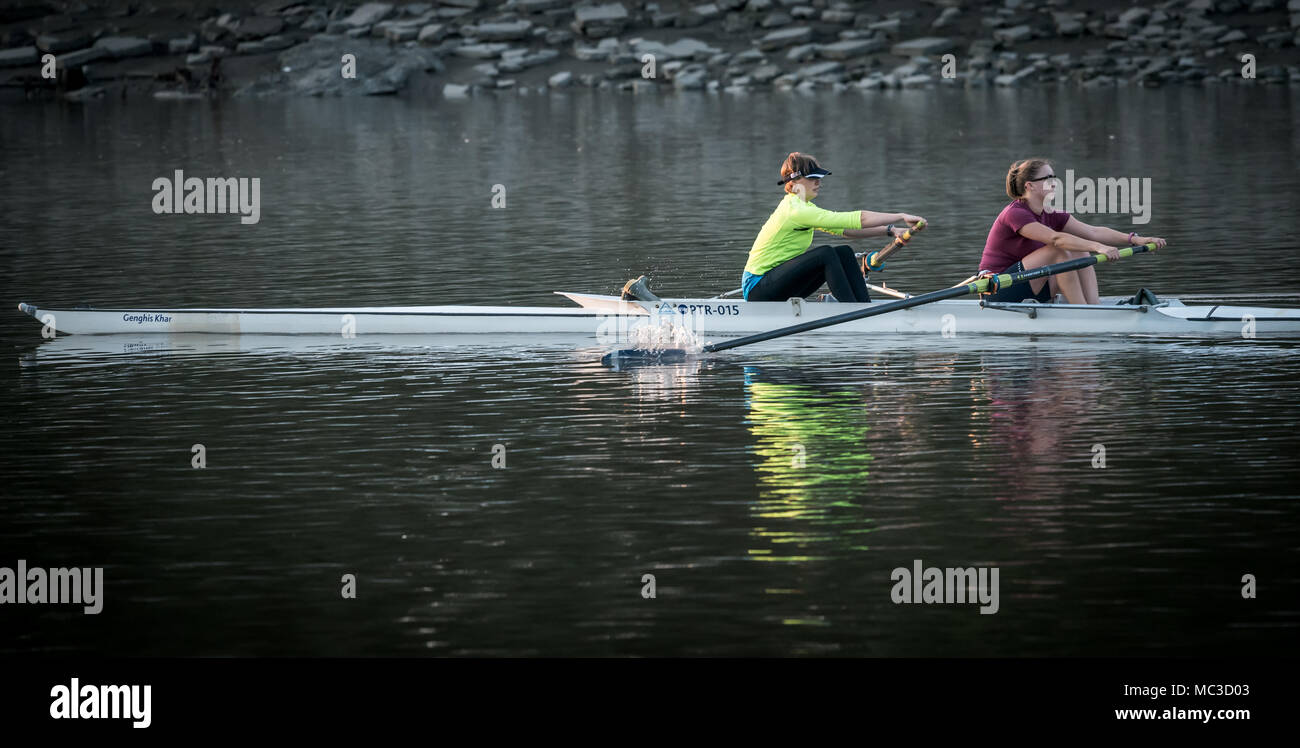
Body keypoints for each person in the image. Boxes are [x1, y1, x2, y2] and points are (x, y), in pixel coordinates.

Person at [742, 152, 925, 303]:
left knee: (844, 252)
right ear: (796, 181)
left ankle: (862, 307)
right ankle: (851, 312)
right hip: (758, 288)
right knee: (825, 254)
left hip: (775, 283)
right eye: (813, 178)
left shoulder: (805, 208)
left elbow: (846, 230)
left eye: (819, 178)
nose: (818, 182)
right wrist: (901, 216)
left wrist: (890, 230)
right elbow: (855, 219)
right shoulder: (795, 211)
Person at [979, 158, 1167, 304]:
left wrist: (1135, 239)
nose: (1054, 182)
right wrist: (1099, 247)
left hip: (1030, 283)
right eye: (1047, 178)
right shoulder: (1015, 214)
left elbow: (1092, 231)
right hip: (998, 289)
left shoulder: (1051, 213)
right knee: (1058, 250)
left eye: (1054, 177)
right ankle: (1082, 312)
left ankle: (1094, 307)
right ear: (1030, 186)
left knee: (1078, 249)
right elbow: (1056, 239)